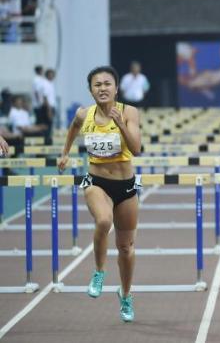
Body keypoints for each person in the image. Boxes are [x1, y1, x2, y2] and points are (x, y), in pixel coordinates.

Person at [57, 66, 142, 323]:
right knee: (104, 221)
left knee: (126, 248)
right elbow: (73, 128)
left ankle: (125, 294)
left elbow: (136, 149)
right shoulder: (84, 114)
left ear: (116, 88)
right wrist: (65, 153)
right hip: (96, 181)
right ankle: (99, 272)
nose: (102, 88)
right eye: (97, 84)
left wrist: (120, 124)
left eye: (107, 83)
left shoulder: (129, 112)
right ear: (90, 90)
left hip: (126, 186)